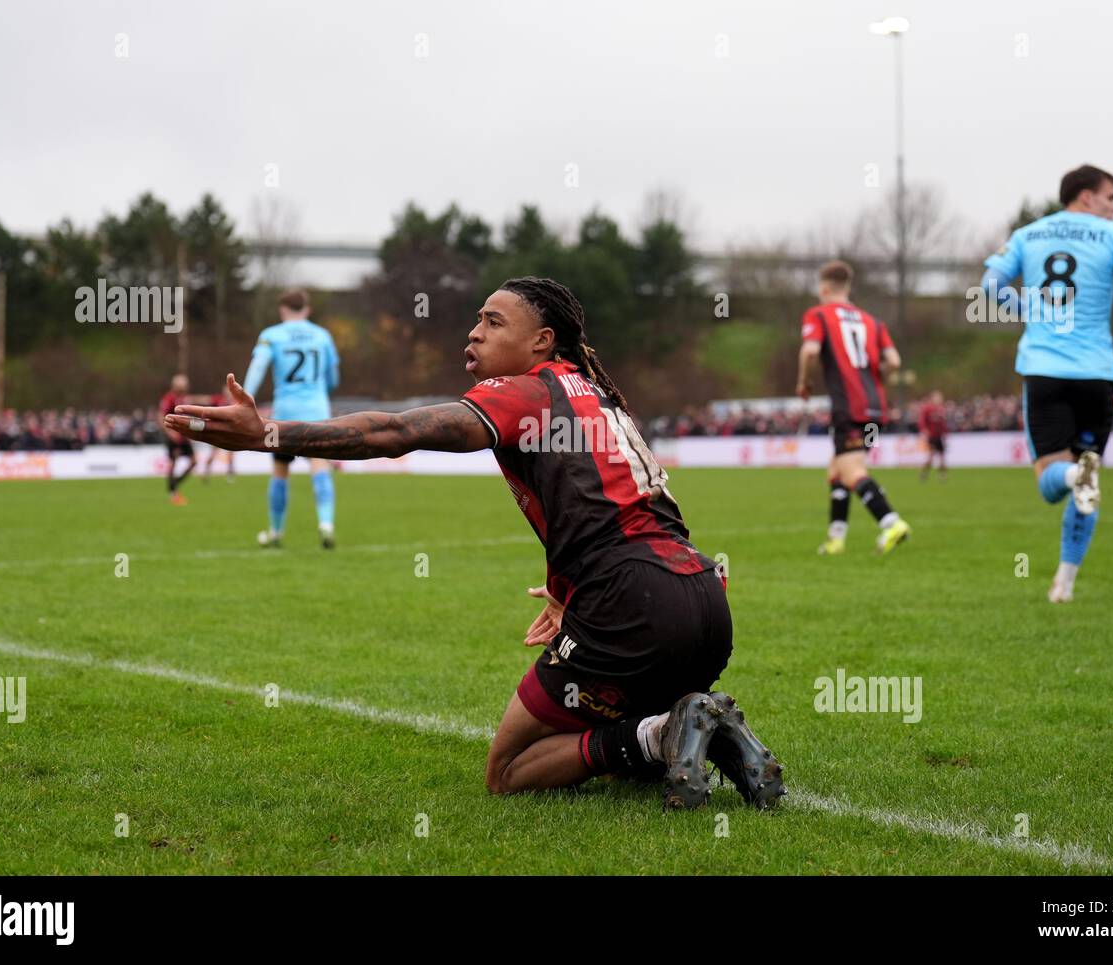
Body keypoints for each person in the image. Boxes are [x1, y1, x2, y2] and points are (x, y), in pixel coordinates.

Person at [165, 276, 786, 810]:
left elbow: (394, 430)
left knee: (509, 773)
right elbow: (623, 506)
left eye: (493, 321)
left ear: (542, 341)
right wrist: (570, 588)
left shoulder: (525, 390)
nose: (474, 333)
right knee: (614, 743)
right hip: (703, 600)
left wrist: (268, 434)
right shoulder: (598, 395)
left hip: (633, 605)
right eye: (476, 321)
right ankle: (701, 722)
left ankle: (659, 732)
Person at [981, 164, 1113, 602]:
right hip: (1097, 374)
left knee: (1051, 481)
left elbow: (989, 287)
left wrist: (1031, 313)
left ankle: (1073, 475)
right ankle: (1064, 581)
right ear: (1085, 196)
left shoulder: (1029, 234)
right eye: (1110, 198)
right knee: (1088, 483)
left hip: (1045, 370)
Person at [796, 260, 911, 557]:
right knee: (836, 471)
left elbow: (809, 351)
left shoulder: (819, 314)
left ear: (824, 289)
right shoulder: (873, 322)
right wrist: (874, 378)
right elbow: (895, 362)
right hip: (876, 409)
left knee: (852, 471)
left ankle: (892, 523)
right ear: (848, 288)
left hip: (849, 407)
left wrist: (804, 383)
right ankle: (836, 539)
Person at [242, 289, 341, 548]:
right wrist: (321, 393)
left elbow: (257, 369)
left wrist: (245, 400)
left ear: (282, 310)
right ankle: (326, 525)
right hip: (318, 413)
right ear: (307, 309)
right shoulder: (323, 336)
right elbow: (333, 377)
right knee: (320, 466)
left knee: (280, 471)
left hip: (284, 416)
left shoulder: (271, 335)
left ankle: (275, 532)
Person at [159, 374, 197, 505]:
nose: (186, 387)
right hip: (173, 436)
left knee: (194, 462)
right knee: (173, 462)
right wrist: (169, 432)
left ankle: (175, 483)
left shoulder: (183, 398)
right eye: (183, 384)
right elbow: (160, 417)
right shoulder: (168, 398)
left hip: (183, 436)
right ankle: (173, 493)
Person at [918, 390, 948, 482]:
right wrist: (924, 430)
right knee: (931, 457)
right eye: (937, 397)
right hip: (932, 436)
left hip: (940, 436)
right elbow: (922, 421)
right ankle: (924, 473)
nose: (939, 399)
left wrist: (945, 433)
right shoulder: (928, 409)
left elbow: (943, 424)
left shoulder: (941, 409)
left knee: (942, 457)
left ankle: (942, 475)